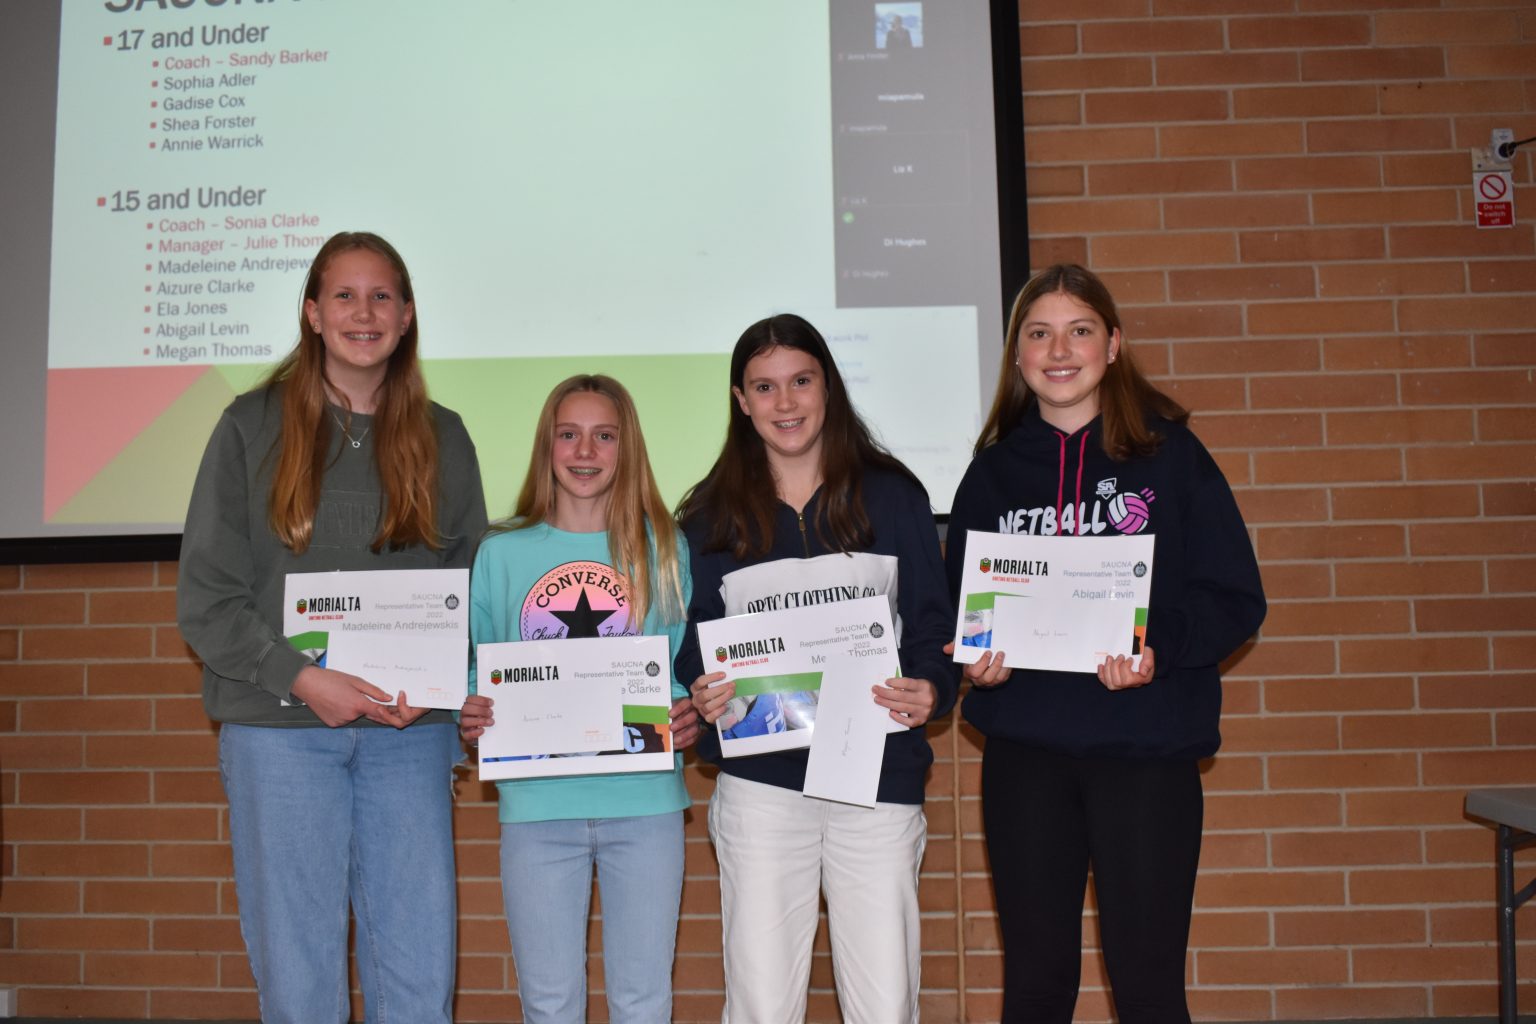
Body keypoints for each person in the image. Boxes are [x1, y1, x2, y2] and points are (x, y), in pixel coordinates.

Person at [176, 231, 488, 1023]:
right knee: (298, 965)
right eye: (344, 295)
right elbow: (208, 597)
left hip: (407, 733)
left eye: (382, 295)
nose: (364, 311)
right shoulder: (249, 427)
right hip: (278, 731)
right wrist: (304, 679)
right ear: (312, 313)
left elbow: (473, 588)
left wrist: (443, 689)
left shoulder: (443, 435)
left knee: (418, 967)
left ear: (408, 313)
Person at [945, 264, 1266, 1023]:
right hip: (1026, 759)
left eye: (1080, 330)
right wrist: (977, 665)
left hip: (1145, 756)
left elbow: (1236, 598)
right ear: (1018, 355)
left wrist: (1159, 647)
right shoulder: (990, 474)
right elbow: (962, 609)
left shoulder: (1172, 457)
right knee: (1034, 987)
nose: (1060, 349)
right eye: (1039, 333)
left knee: (1148, 987)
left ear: (1114, 345)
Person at [678, 313, 953, 1024]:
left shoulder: (894, 496)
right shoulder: (708, 519)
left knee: (886, 1004)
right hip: (763, 788)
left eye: (800, 381)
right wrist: (701, 688)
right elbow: (691, 649)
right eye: (764, 387)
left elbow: (930, 627)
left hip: (876, 776)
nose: (786, 402)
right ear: (741, 401)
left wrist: (933, 689)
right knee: (762, 1005)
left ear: (827, 384)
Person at [457, 374, 699, 1024]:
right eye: (569, 434)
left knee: (643, 1000)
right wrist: (473, 714)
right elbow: (482, 672)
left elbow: (674, 671)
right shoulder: (501, 554)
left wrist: (689, 714)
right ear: (547, 446)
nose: (585, 451)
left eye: (604, 435)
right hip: (538, 811)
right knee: (549, 1003)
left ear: (627, 448)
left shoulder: (665, 549)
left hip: (644, 805)